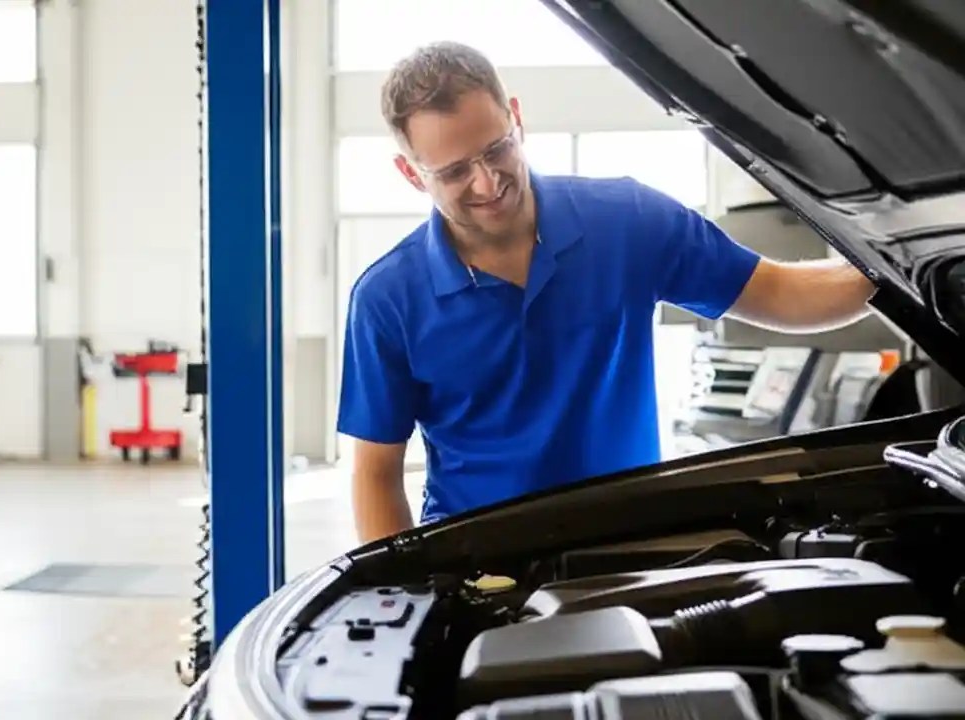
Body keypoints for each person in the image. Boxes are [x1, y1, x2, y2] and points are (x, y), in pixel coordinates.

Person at [337, 41, 876, 543]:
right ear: (412, 174)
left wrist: (893, 267)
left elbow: (780, 292)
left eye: (497, 149)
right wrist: (403, 592)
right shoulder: (387, 299)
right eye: (455, 172)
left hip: (631, 543)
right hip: (478, 560)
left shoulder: (627, 220)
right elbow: (376, 473)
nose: (487, 182)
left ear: (516, 118)